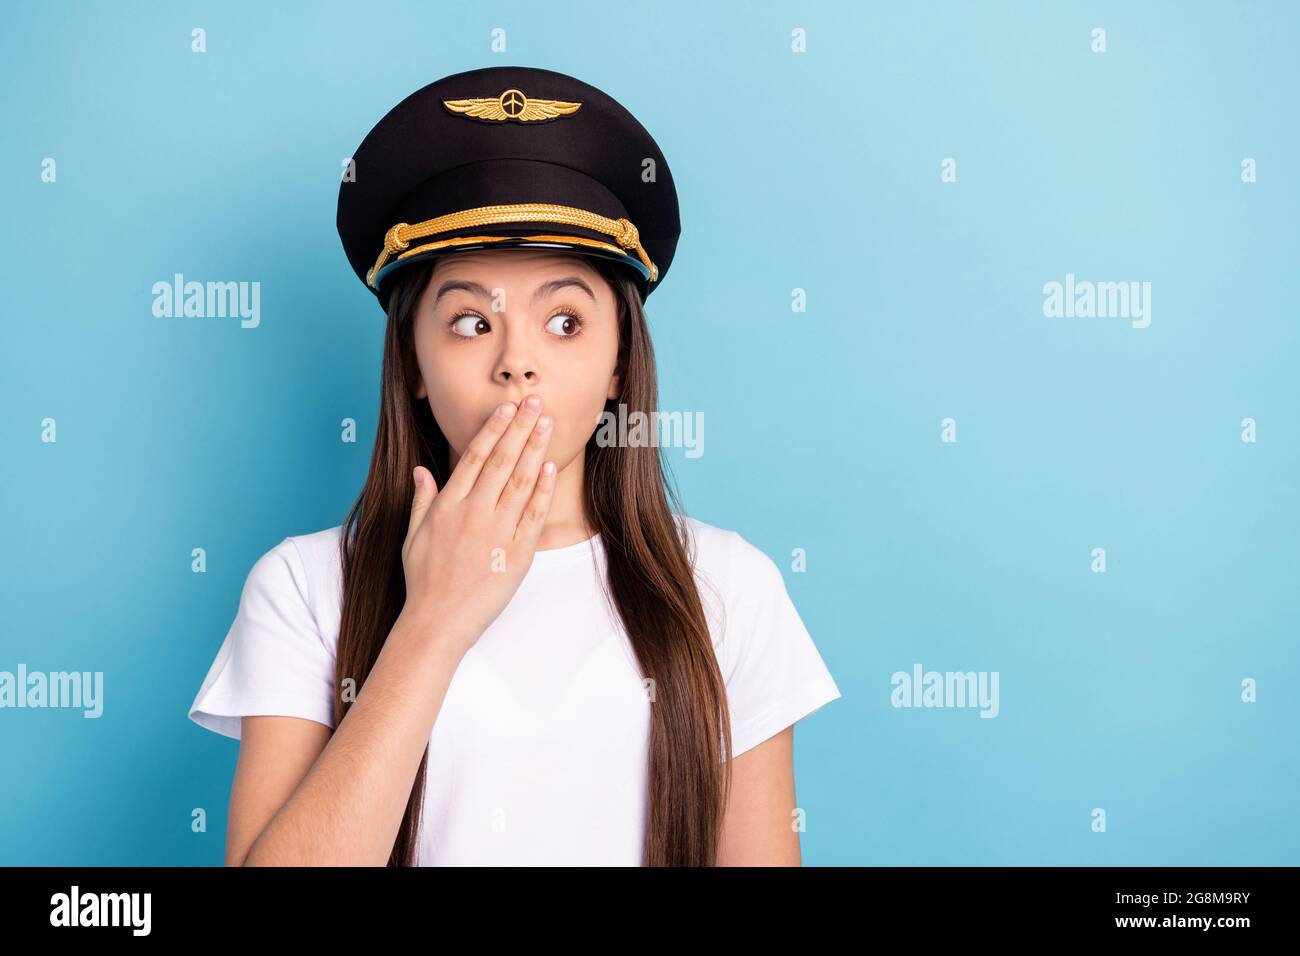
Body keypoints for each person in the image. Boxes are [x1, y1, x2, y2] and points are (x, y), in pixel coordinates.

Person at [187, 65, 841, 866]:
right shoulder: (304, 585)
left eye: (565, 320)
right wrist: (434, 619)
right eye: (469, 321)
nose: (517, 363)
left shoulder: (730, 587)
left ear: (618, 364)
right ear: (414, 364)